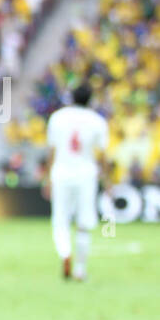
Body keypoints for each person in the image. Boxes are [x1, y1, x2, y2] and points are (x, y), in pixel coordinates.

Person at [43, 83, 109, 282]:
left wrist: (47, 177)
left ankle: (65, 254)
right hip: (86, 174)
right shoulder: (97, 121)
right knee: (83, 223)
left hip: (61, 173)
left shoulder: (58, 118)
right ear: (91, 100)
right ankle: (80, 269)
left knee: (60, 221)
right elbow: (102, 155)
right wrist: (107, 180)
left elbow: (51, 151)